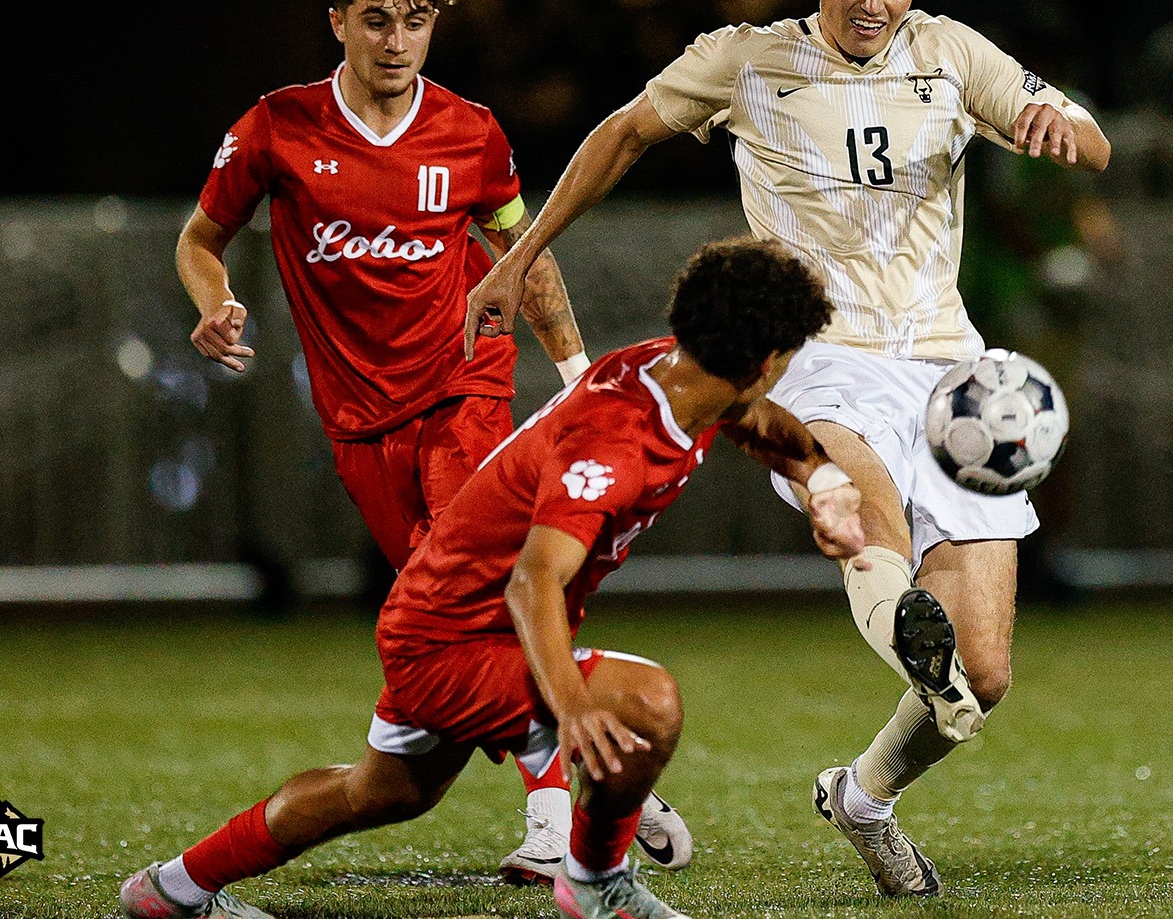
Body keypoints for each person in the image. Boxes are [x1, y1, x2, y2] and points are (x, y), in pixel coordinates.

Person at [463, 0, 1110, 898]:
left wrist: (1060, 133)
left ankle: (863, 796)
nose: (874, 1)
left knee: (980, 678)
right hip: (818, 362)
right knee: (866, 514)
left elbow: (1091, 139)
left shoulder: (953, 56)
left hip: (952, 378)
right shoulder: (748, 60)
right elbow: (622, 135)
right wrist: (520, 253)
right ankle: (900, 622)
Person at [123, 239, 864, 919]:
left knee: (380, 793)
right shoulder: (617, 439)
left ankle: (172, 889)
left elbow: (759, 421)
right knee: (648, 704)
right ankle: (596, 881)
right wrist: (568, 710)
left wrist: (824, 485)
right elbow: (534, 580)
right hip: (454, 640)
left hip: (438, 615)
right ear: (768, 357)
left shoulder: (681, 369)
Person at [173, 0, 686, 886]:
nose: (395, 38)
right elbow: (200, 238)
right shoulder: (277, 129)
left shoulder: (469, 134)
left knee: (486, 587)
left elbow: (521, 257)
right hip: (360, 424)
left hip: (464, 392)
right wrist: (217, 300)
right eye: (375, 17)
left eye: (414, 19)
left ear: (434, 22)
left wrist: (575, 375)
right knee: (447, 620)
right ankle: (573, 754)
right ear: (338, 21)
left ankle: (556, 816)